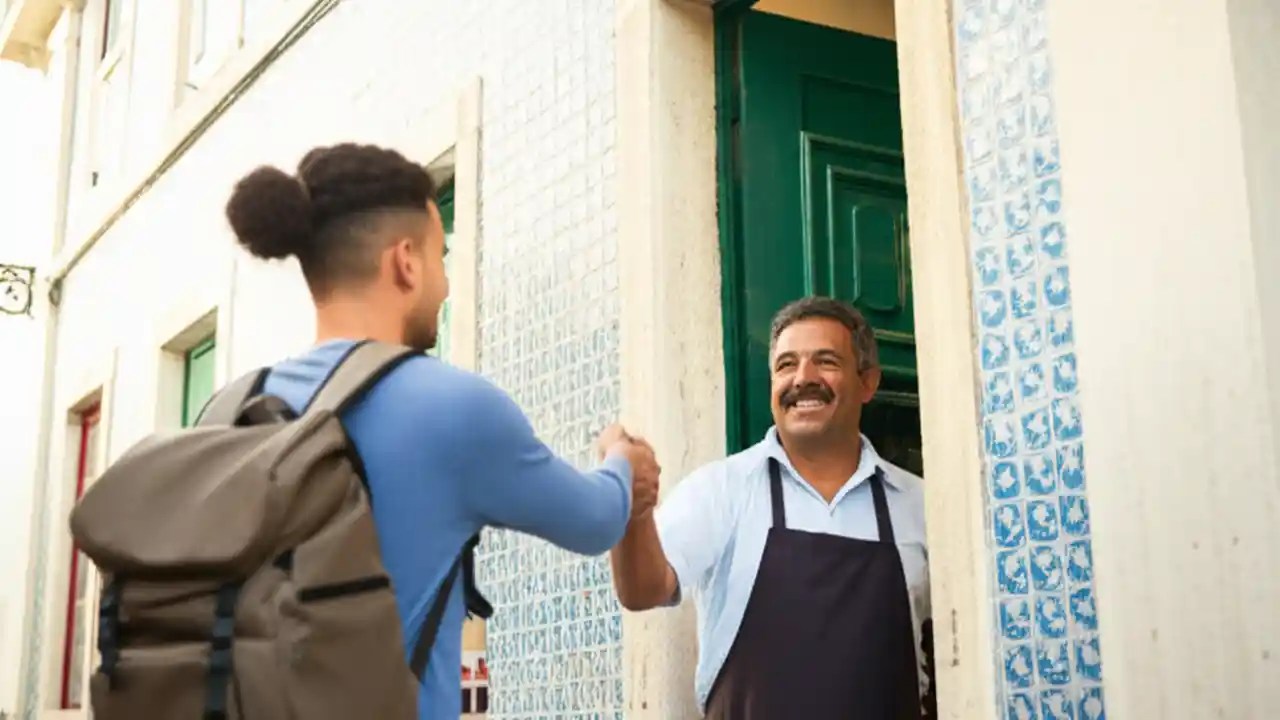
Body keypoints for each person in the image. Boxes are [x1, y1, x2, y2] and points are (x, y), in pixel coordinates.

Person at [223, 142, 659, 719]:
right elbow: (596, 520)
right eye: (441, 257)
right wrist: (621, 460)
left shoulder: (232, 408)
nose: (446, 285)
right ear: (405, 261)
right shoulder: (451, 407)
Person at [609, 296, 936, 719]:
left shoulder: (920, 505)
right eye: (786, 365)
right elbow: (641, 590)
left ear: (868, 382)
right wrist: (633, 508)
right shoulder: (722, 490)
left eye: (826, 361)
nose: (803, 378)